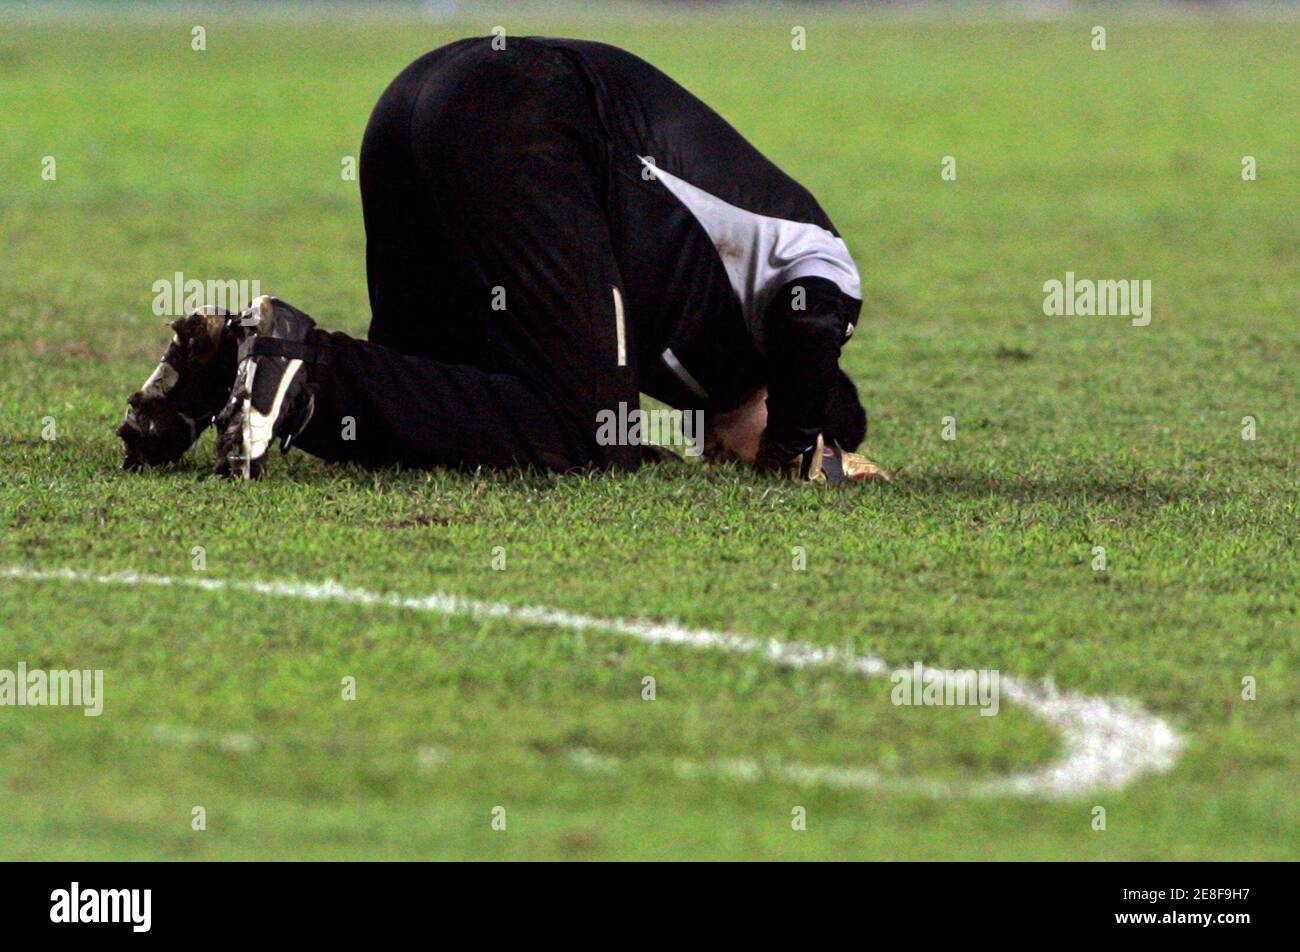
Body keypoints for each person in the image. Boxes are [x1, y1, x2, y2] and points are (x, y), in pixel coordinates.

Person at [118, 37, 889, 485]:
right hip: (526, 116)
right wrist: (799, 456)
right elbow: (815, 313)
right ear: (801, 404)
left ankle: (233, 364)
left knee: (438, 404)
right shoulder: (803, 291)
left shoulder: (700, 358)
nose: (719, 459)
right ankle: (307, 364)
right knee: (579, 434)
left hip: (425, 100)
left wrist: (622, 440)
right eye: (736, 451)